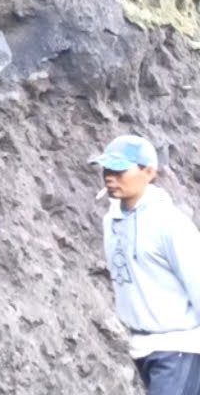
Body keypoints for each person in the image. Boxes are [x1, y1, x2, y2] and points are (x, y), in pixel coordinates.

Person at [91, 134, 200, 394]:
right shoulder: (112, 220)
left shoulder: (169, 223)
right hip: (141, 346)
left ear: (149, 172)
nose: (109, 176)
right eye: (107, 168)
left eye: (119, 169)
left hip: (177, 347)